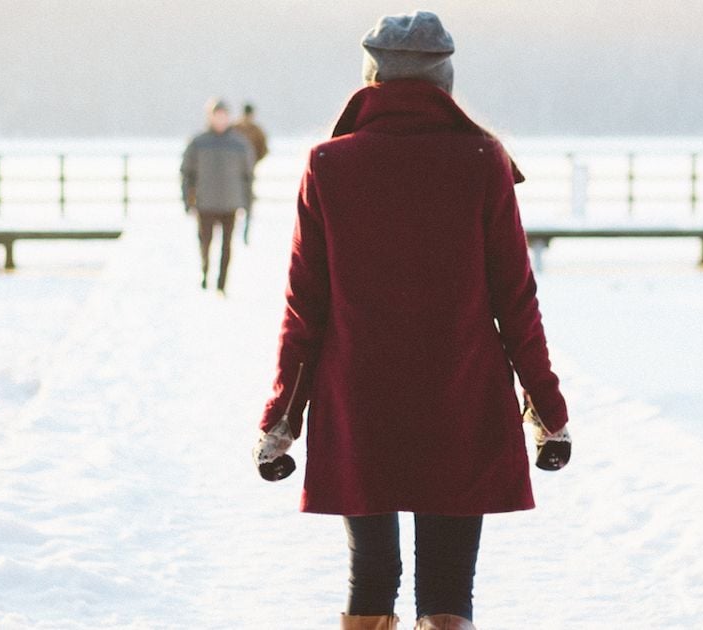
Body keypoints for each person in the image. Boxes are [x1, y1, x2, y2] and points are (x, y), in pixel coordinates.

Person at [252, 11, 572, 630]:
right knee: (449, 586)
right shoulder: (482, 160)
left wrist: (281, 418)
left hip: (358, 397)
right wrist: (547, 409)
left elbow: (304, 308)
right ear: (444, 80)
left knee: (369, 574)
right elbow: (516, 299)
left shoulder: (328, 164)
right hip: (461, 394)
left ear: (371, 78)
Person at [180, 99, 255, 292]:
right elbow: (187, 172)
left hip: (230, 203)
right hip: (205, 203)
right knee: (205, 242)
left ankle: (222, 283)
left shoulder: (239, 143)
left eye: (223, 116)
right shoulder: (198, 143)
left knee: (227, 246)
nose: (220, 120)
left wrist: (247, 203)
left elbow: (247, 176)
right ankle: (205, 271)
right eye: (217, 116)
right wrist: (187, 199)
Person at [231, 102, 268, 245]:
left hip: (248, 171)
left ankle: (245, 232)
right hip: (234, 172)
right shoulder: (235, 129)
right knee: (234, 201)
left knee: (248, 202)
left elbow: (263, 149)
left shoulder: (256, 130)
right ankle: (233, 230)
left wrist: (253, 161)